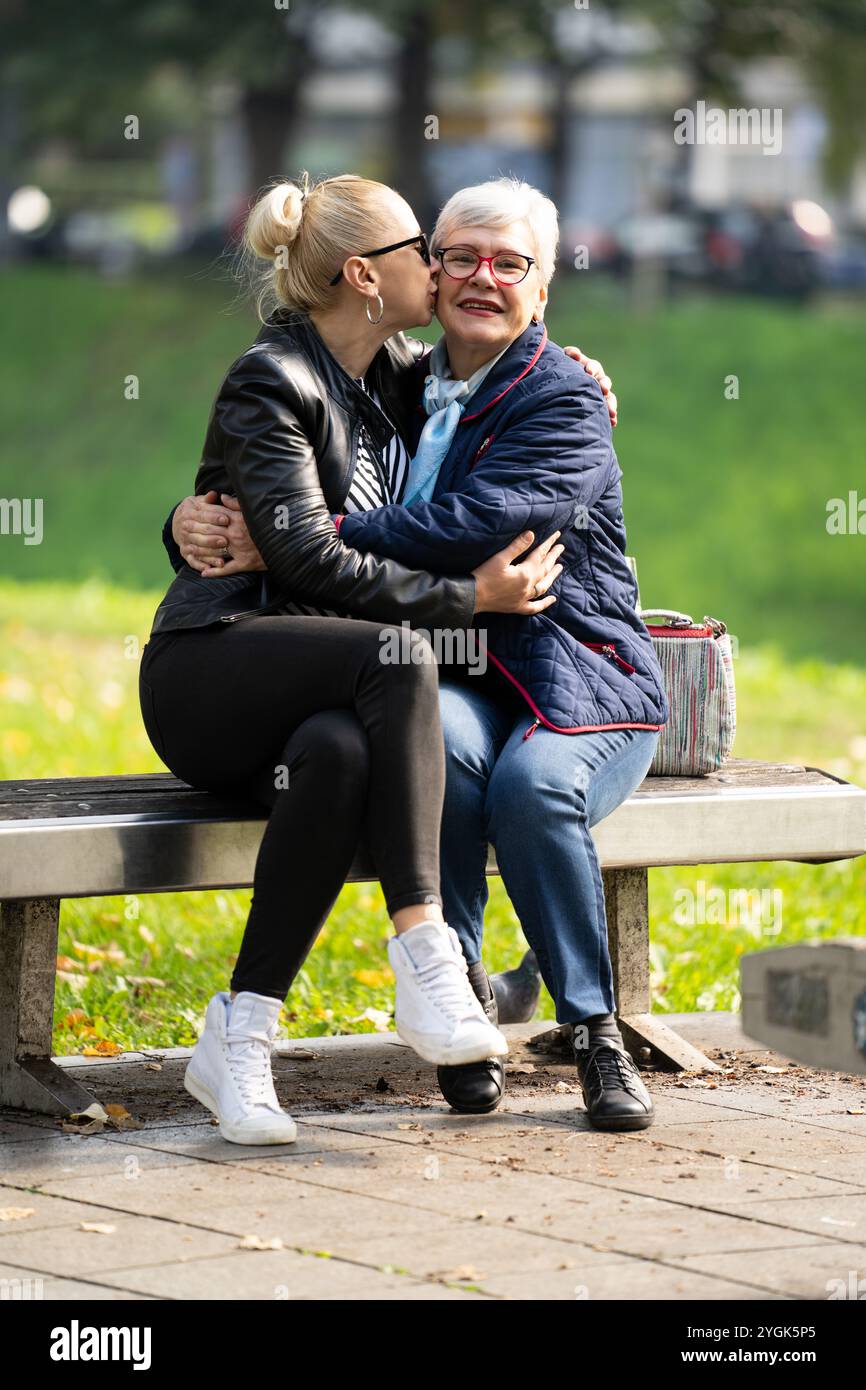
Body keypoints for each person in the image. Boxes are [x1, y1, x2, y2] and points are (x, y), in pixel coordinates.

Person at [167, 174, 669, 1133]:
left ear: (544, 286)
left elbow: (473, 518)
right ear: (395, 274)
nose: (473, 279)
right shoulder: (371, 374)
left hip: (567, 669)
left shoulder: (517, 389)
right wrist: (194, 523)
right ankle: (452, 978)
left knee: (459, 766)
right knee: (418, 706)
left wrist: (309, 532)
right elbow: (253, 497)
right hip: (310, 657)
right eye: (449, 257)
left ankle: (590, 1028)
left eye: (508, 264)